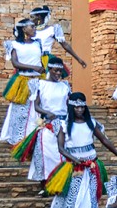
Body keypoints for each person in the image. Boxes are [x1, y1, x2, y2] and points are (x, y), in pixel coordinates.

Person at [45, 92, 117, 208]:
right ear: (71, 107)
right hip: (74, 169)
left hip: (92, 168)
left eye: (82, 107)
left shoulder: (91, 123)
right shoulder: (64, 124)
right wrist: (74, 159)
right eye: (76, 107)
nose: (79, 110)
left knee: (89, 202)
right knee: (72, 200)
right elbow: (61, 148)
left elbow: (104, 141)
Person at [11, 56, 72, 195]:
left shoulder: (64, 86)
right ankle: (46, 185)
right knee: (46, 155)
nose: (58, 74)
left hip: (63, 124)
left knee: (61, 155)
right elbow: (37, 106)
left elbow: (69, 105)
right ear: (49, 69)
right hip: (48, 124)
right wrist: (47, 112)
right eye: (56, 70)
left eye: (60, 71)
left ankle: (61, 183)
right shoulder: (40, 84)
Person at [0, 19, 44, 145]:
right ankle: (17, 137)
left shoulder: (38, 43)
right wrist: (33, 67)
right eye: (32, 27)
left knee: (37, 110)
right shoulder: (13, 44)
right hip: (23, 80)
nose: (35, 29)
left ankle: (34, 137)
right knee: (20, 110)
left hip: (37, 80)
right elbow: (15, 63)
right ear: (24, 29)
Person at [30, 6, 87, 70]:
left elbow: (65, 45)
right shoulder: (29, 31)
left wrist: (79, 59)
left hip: (44, 60)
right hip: (31, 59)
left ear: (39, 17)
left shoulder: (52, 29)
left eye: (32, 17)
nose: (30, 20)